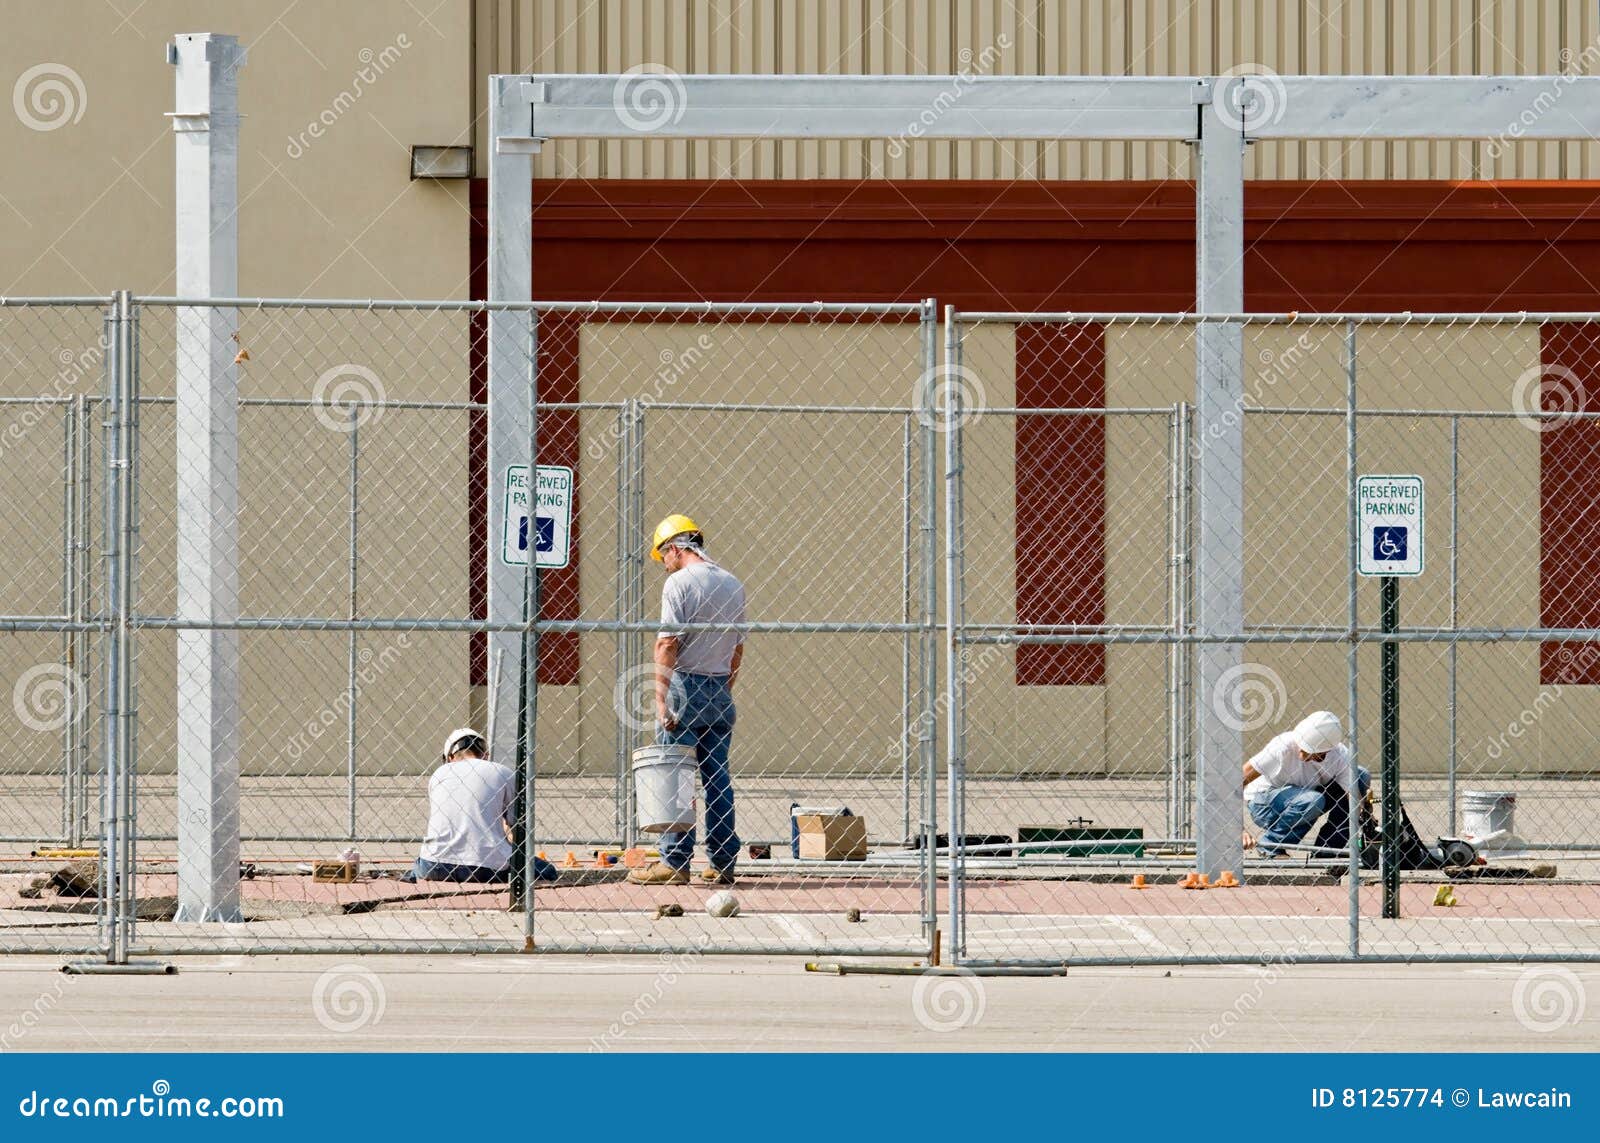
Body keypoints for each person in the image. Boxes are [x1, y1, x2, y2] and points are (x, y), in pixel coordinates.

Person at [628, 514, 747, 887]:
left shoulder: (679, 584)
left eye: (663, 556)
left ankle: (674, 862)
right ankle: (723, 861)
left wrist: (661, 700)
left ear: (675, 549)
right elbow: (737, 649)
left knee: (675, 776)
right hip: (718, 687)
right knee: (718, 778)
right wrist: (725, 688)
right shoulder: (733, 584)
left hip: (685, 686)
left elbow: (668, 643)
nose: (664, 565)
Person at [402, 727, 557, 884]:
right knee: (547, 870)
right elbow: (517, 829)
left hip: (434, 864)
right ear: (486, 755)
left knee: (419, 865)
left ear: (449, 757)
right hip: (488, 868)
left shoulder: (438, 774)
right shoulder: (503, 772)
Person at [1242, 710, 1369, 859]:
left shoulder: (1339, 755)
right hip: (1264, 802)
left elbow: (1353, 796)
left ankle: (1328, 850)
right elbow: (1237, 781)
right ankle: (1271, 846)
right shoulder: (1282, 746)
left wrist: (1365, 816)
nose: (1301, 756)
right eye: (1300, 747)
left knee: (1360, 775)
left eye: (1308, 752)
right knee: (1312, 800)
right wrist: (1238, 830)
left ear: (1326, 751)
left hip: (1306, 797)